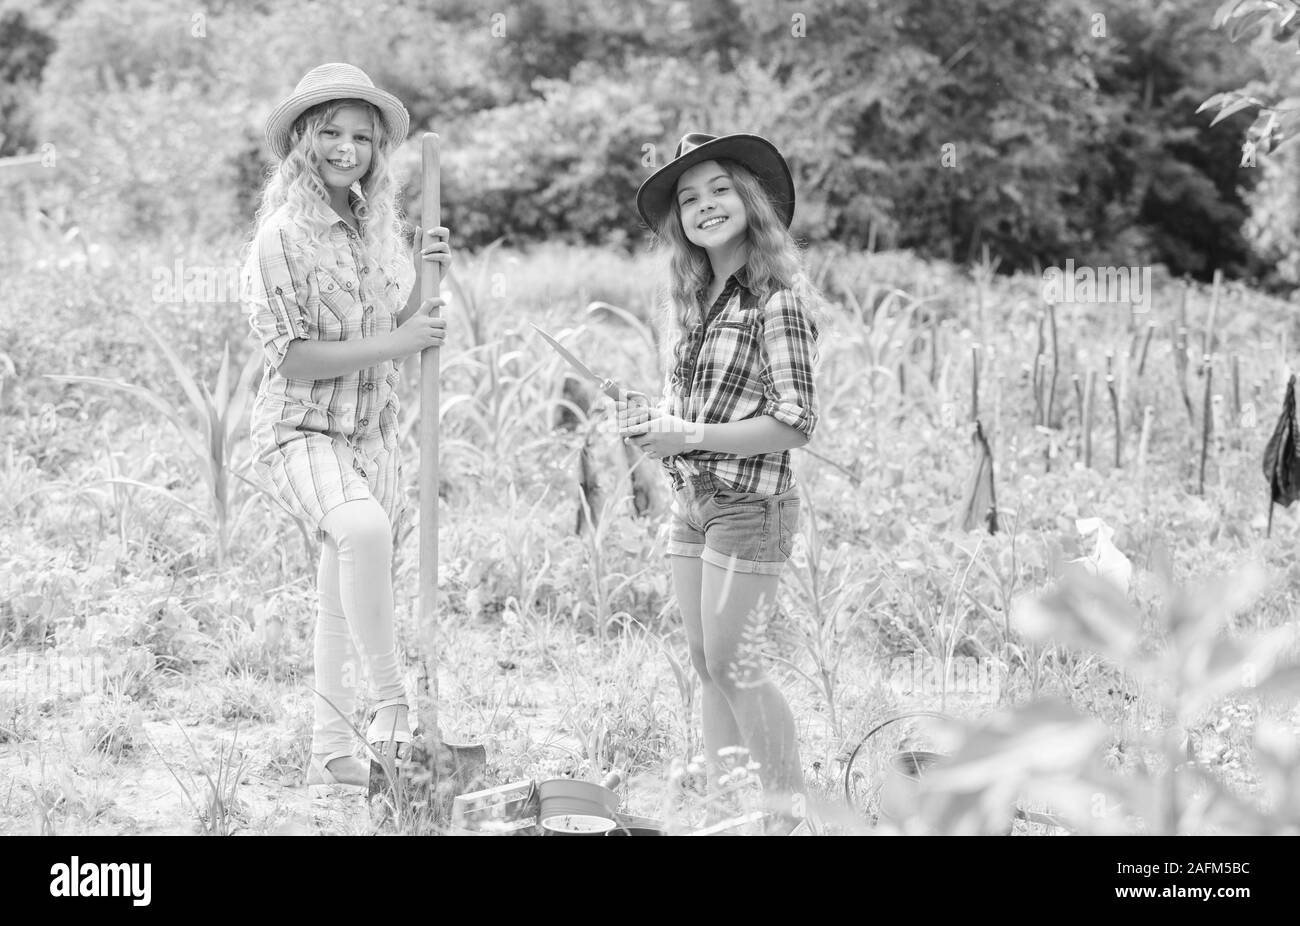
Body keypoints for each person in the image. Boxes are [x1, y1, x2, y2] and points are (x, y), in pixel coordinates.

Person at [241, 63, 451, 790]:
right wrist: (399, 342)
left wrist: (428, 276)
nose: (346, 147)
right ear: (303, 139)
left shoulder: (371, 229)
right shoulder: (281, 237)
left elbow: (399, 329)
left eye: (361, 136)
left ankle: (331, 756)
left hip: (370, 437)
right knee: (362, 532)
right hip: (301, 432)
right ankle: (393, 704)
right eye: (330, 131)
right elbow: (294, 358)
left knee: (341, 593)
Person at [620, 133, 823, 834]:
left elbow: (795, 424)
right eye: (688, 197)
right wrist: (658, 426)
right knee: (707, 663)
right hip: (693, 505)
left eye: (719, 189)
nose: (704, 205)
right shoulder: (692, 302)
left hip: (750, 506)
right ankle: (726, 810)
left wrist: (692, 436)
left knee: (739, 663)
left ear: (750, 201)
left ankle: (785, 817)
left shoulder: (776, 301)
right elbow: (695, 417)